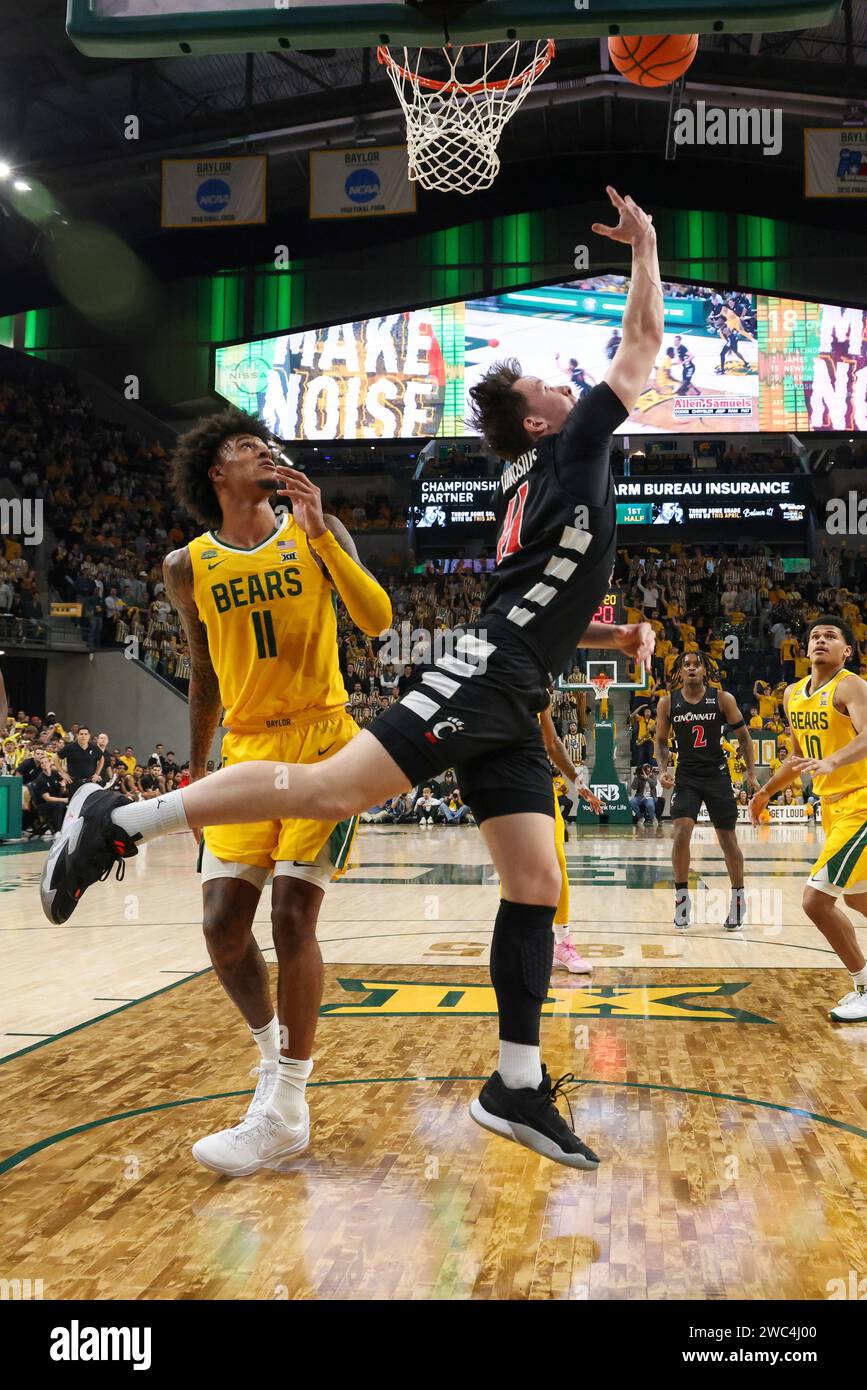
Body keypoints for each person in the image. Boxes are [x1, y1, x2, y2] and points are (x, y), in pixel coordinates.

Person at [43, 185, 663, 1171]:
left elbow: (549, 598)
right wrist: (648, 247)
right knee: (332, 790)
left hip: (516, 686)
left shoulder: (545, 475)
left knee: (536, 882)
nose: (571, 383)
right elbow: (641, 348)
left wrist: (609, 632)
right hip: (484, 670)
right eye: (556, 383)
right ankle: (116, 821)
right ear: (548, 420)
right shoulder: (577, 442)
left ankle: (513, 1081)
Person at [160, 409, 394, 1176]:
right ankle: (274, 1066)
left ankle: (287, 1099)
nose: (261, 450)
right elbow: (203, 675)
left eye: (265, 443)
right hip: (246, 753)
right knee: (223, 928)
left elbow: (377, 621)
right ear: (215, 475)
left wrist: (323, 529)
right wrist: (197, 775)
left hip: (325, 743)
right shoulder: (187, 565)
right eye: (241, 446)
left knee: (294, 913)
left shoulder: (313, 531)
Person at [750, 617, 867, 1022]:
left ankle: (865, 985)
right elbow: (796, 760)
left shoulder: (851, 685)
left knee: (816, 901)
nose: (821, 640)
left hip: (862, 803)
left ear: (846, 651)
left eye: (831, 636)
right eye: (815, 636)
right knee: (855, 898)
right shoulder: (793, 695)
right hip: (833, 809)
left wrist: (835, 759)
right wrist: (764, 793)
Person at [654, 650, 758, 931]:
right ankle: (681, 899)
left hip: (717, 775)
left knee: (728, 841)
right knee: (680, 833)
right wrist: (663, 769)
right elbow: (661, 742)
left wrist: (750, 773)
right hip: (686, 776)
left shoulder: (722, 699)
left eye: (696, 665)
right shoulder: (668, 703)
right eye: (685, 665)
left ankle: (738, 899)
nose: (691, 669)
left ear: (704, 671)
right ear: (679, 672)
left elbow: (745, 739)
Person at [539, 695, 602, 974]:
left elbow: (552, 743)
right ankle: (529, 941)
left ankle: (562, 941)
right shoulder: (487, 686)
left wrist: (578, 782)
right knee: (514, 869)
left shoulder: (537, 689)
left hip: (537, 781)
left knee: (558, 864)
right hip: (503, 783)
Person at [60, 725, 103, 795]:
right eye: (81, 734)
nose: (83, 736)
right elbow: (56, 758)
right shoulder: (70, 747)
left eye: (86, 734)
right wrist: (63, 773)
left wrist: (97, 774)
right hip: (74, 782)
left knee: (88, 803)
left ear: (89, 736)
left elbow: (102, 759)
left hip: (89, 781)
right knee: (74, 803)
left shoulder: (94, 747)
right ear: (77, 735)